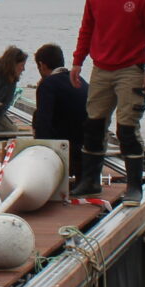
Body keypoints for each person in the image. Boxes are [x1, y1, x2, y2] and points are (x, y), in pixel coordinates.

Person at [71, 0, 145, 206]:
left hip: (131, 68)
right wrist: (78, 61)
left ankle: (134, 185)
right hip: (102, 66)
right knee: (93, 125)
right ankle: (90, 179)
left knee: (126, 128)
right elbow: (87, 28)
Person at [30, 42, 91, 191]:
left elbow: (43, 123)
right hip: (86, 151)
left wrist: (41, 156)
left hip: (66, 152)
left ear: (42, 65)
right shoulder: (80, 80)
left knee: (37, 116)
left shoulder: (48, 84)